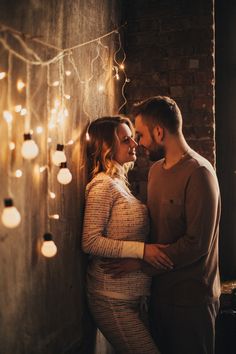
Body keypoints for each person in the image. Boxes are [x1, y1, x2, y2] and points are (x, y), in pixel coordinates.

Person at [103, 96, 221, 354]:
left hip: (191, 302)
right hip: (158, 296)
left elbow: (197, 244)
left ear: (159, 131)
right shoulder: (155, 171)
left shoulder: (200, 173)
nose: (140, 143)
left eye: (142, 134)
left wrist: (140, 263)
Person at [82, 116, 172, 354]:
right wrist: (142, 251)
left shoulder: (119, 183)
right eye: (125, 140)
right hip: (110, 299)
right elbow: (90, 242)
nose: (134, 143)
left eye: (132, 136)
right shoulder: (102, 185)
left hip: (134, 298)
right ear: (107, 148)